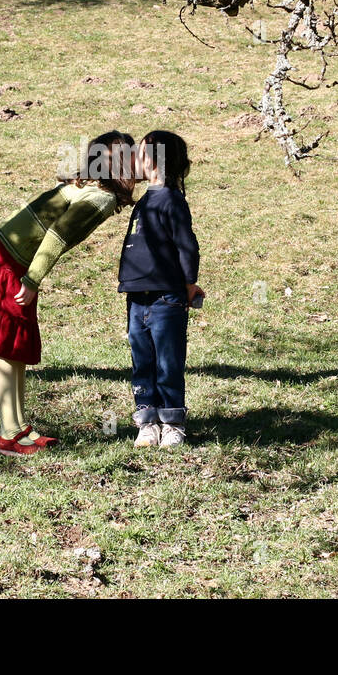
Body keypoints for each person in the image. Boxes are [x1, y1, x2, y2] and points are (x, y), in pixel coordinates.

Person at [0, 131, 135, 456]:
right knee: (5, 347)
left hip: (7, 253)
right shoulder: (100, 197)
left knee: (15, 348)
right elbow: (57, 236)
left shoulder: (86, 186)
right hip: (10, 262)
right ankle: (8, 435)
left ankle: (18, 428)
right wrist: (32, 280)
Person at [117, 130, 203, 448]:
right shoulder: (145, 201)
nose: (135, 160)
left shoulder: (171, 200)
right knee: (143, 360)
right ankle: (147, 422)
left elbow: (187, 247)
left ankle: (172, 423)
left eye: (140, 153)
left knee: (168, 361)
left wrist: (188, 283)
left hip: (167, 297)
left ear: (154, 160)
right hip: (137, 297)